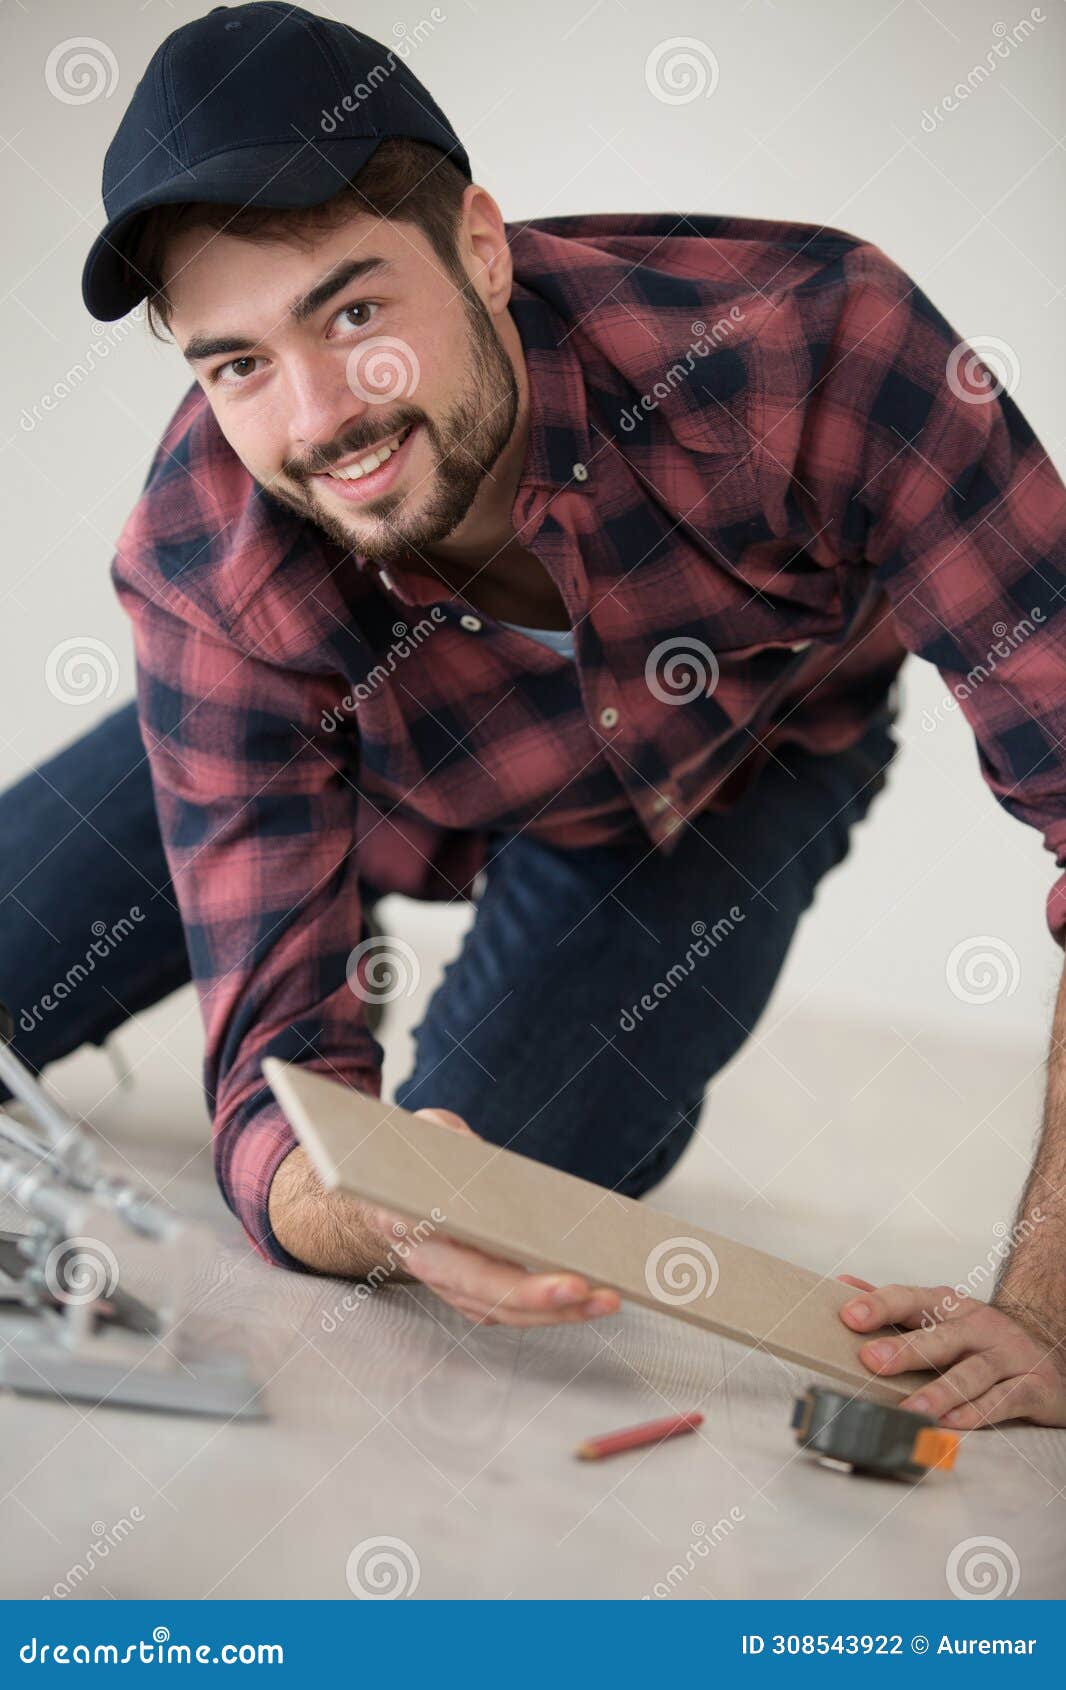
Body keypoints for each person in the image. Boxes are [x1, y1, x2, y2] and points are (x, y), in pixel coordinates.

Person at [2, 3, 1064, 1428]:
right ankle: (292, 861)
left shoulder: (818, 347)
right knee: (382, 1195)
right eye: (237, 361)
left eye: (354, 312)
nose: (319, 418)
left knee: (500, 1195)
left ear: (482, 250)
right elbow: (279, 1089)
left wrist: (1048, 1296)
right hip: (355, 746)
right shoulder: (211, 558)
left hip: (723, 781)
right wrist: (339, 1193)